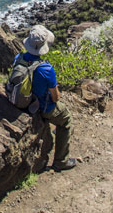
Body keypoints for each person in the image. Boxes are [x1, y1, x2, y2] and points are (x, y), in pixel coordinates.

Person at [15, 25, 77, 171]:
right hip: (42, 108)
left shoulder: (18, 58)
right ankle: (61, 161)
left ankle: (54, 130)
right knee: (66, 118)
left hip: (24, 102)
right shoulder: (46, 69)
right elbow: (55, 98)